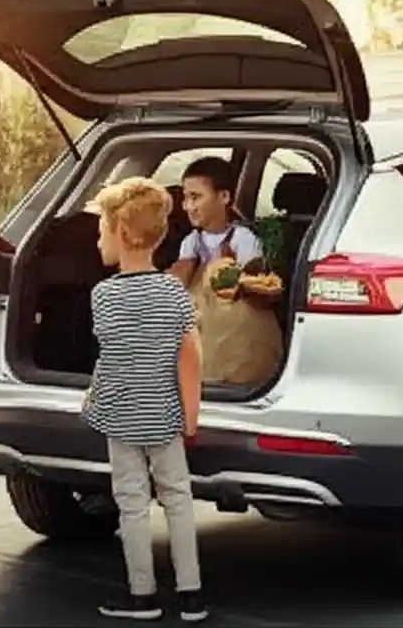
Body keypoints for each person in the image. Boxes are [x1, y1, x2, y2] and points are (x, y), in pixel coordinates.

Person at [83, 177, 209, 622]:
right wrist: (190, 417)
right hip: (164, 414)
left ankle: (142, 595)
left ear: (119, 233)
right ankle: (191, 594)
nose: (99, 239)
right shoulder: (174, 293)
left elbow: (111, 356)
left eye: (101, 230)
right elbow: (188, 357)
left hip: (121, 416)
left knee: (132, 502)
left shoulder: (103, 296)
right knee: (178, 497)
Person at [167, 156, 263, 287]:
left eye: (195, 197)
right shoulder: (191, 241)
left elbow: (254, 285)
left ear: (224, 197)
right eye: (186, 198)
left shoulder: (243, 239)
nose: (188, 207)